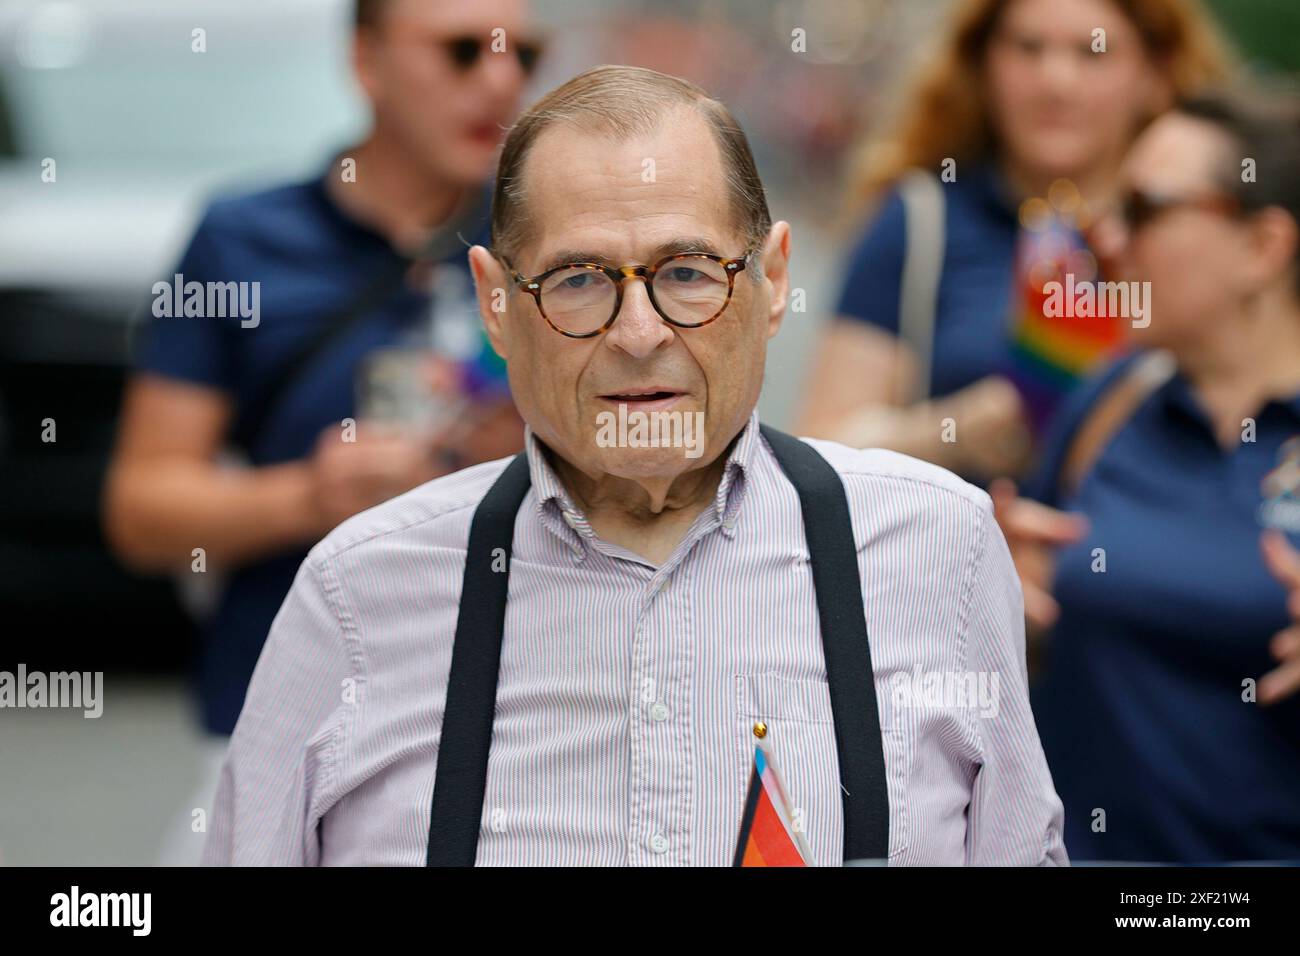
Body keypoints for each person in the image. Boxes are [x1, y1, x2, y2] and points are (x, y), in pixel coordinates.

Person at [201, 65, 1066, 867]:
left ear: (771, 282)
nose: (640, 332)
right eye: (578, 280)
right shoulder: (360, 595)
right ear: (496, 307)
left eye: (688, 272)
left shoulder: (939, 550)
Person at [102, 0, 538, 861]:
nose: (502, 78)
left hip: (516, 724)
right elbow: (143, 509)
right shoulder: (244, 240)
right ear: (366, 61)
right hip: (280, 720)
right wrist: (312, 495)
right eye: (459, 51)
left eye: (523, 51)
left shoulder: (550, 242)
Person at [996, 87, 1300, 862]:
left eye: (1145, 206)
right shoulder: (1110, 398)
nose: (1107, 233)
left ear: (1263, 246)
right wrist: (1002, 593)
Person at [796, 0, 1231, 482]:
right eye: (1028, 48)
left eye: (1093, 53)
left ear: (1155, 76)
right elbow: (820, 450)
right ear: (983, 65)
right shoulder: (921, 221)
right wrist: (952, 433)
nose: (1056, 81)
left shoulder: (1205, 237)